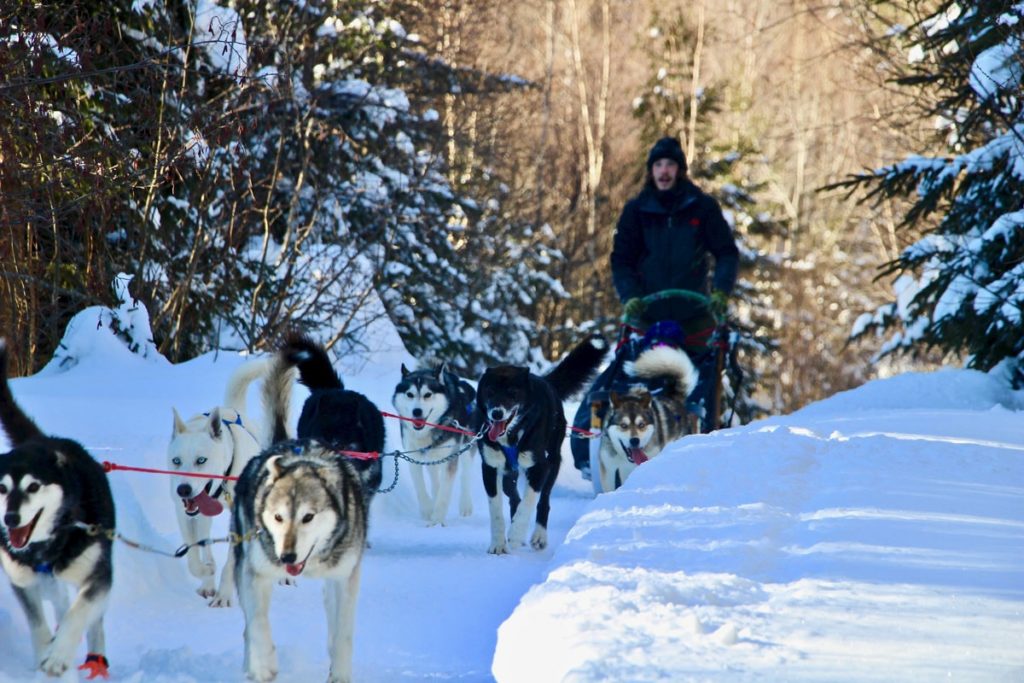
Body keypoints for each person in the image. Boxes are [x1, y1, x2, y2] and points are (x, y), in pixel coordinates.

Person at [572, 136, 740, 478]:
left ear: (680, 169)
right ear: (651, 170)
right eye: (658, 165)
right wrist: (630, 295)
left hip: (695, 317)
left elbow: (726, 253)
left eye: (670, 165)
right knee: (616, 380)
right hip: (647, 317)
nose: (664, 171)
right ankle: (592, 454)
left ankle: (701, 457)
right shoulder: (637, 210)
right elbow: (621, 259)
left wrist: (720, 292)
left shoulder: (701, 207)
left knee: (698, 387)